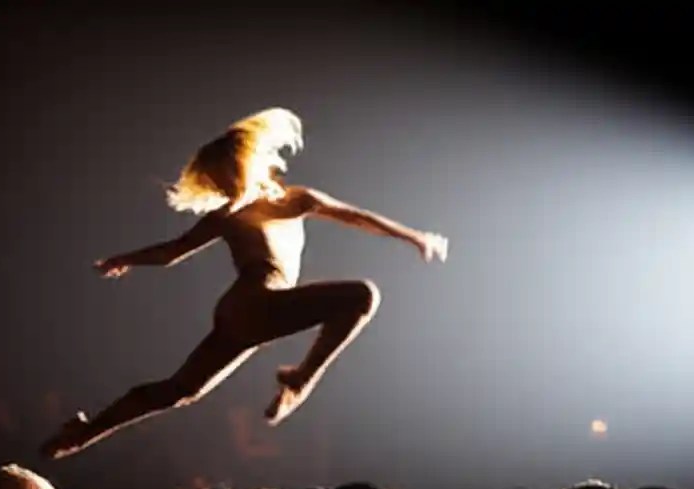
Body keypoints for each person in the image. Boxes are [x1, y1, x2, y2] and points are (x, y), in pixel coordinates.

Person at [41, 108, 448, 459]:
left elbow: (357, 217)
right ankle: (300, 379)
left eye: (228, 180)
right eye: (221, 185)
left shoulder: (296, 200)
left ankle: (84, 433)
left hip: (242, 313)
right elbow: (171, 251)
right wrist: (125, 259)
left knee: (181, 390)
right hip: (256, 304)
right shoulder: (231, 214)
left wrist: (414, 236)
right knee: (362, 295)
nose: (227, 190)